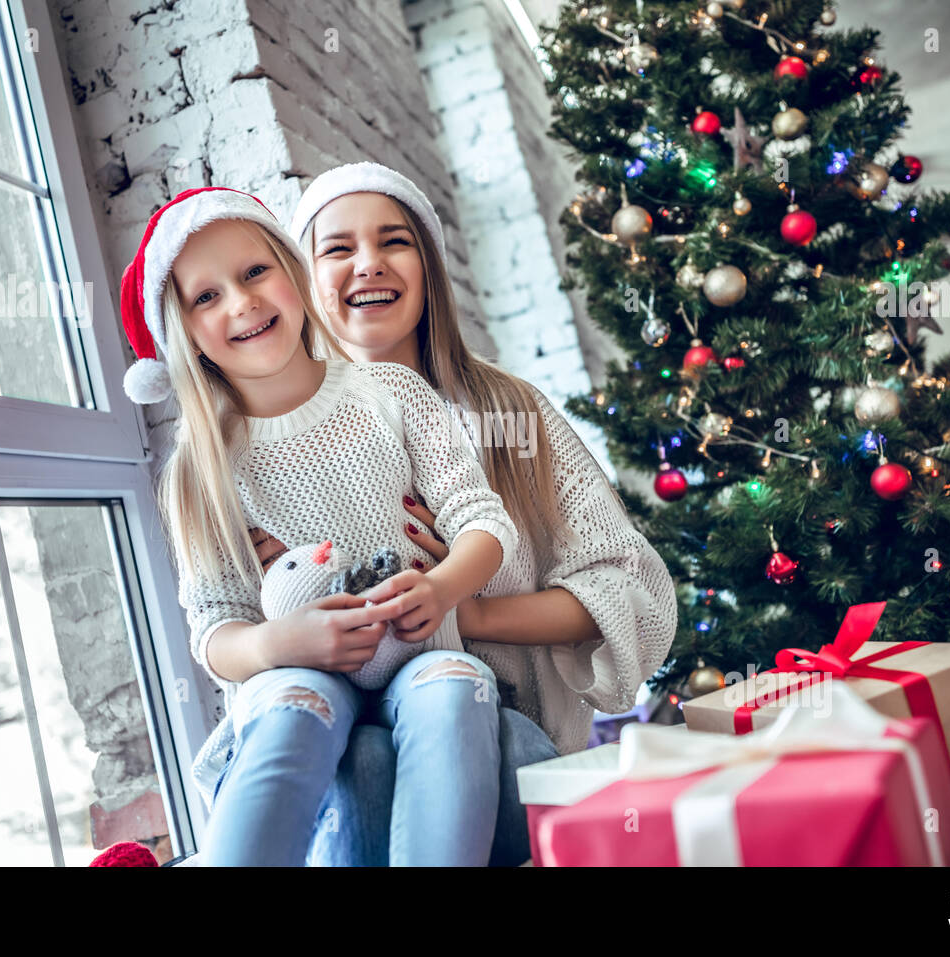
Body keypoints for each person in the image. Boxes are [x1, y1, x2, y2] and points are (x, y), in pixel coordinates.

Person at [265, 162, 679, 866]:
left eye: (394, 241)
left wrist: (461, 608)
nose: (368, 262)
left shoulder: (508, 415)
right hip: (355, 727)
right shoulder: (273, 440)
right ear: (303, 281)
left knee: (504, 741)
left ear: (426, 267)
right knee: (362, 760)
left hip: (507, 721)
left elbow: (630, 588)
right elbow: (238, 632)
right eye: (336, 248)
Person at [116, 186, 521, 865]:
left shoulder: (389, 392)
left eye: (253, 273)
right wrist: (281, 641)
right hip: (294, 666)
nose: (241, 304)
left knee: (455, 690)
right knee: (286, 719)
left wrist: (444, 587)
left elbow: (482, 519)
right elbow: (216, 633)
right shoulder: (201, 468)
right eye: (206, 297)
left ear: (293, 272)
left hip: (422, 655)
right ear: (181, 331)